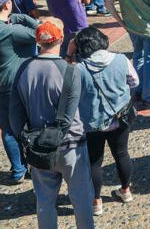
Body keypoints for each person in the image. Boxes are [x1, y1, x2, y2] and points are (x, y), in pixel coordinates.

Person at [9, 19, 95, 229]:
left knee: (45, 202)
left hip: (38, 147)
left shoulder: (22, 70)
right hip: (71, 147)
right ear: (63, 38)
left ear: (38, 42)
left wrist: (26, 139)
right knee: (82, 200)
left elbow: (15, 115)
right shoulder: (70, 71)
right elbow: (71, 111)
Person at [70, 27, 138, 216]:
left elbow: (70, 93)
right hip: (120, 117)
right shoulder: (121, 59)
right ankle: (125, 191)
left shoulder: (78, 69)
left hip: (92, 123)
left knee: (94, 162)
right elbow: (134, 82)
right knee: (122, 153)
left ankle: (96, 201)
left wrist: (68, 54)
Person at [0, 0, 38, 185]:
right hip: (16, 83)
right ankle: (34, 165)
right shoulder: (11, 31)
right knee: (29, 124)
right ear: (7, 5)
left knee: (7, 129)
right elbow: (41, 32)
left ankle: (17, 170)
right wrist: (23, 18)